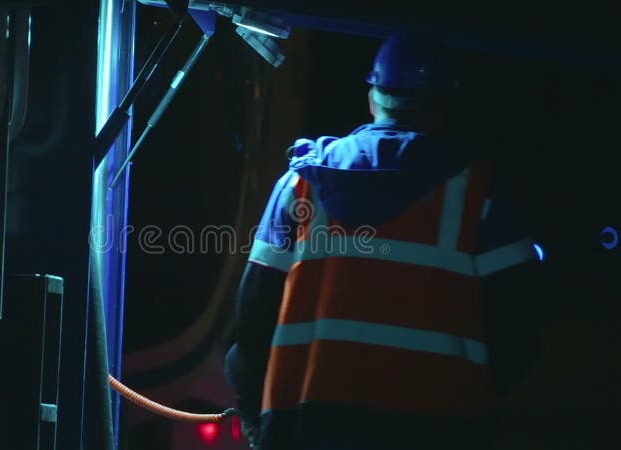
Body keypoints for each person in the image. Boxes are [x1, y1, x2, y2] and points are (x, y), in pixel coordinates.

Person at [224, 31, 542, 450]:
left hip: (306, 429)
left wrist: (253, 410)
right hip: (437, 431)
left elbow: (253, 315)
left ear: (373, 97)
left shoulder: (302, 184)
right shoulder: (478, 193)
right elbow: (517, 327)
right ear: (441, 104)